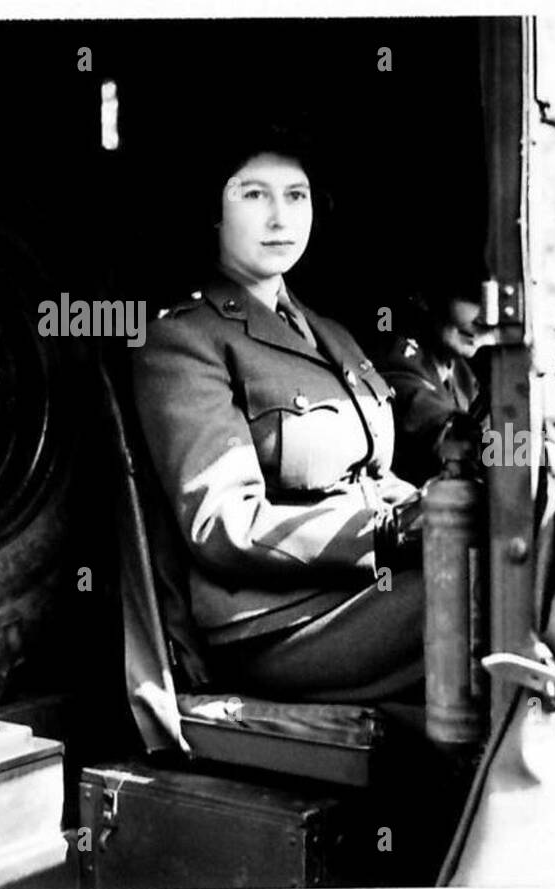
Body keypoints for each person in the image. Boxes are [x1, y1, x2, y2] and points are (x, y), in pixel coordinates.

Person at [130, 128, 426, 702]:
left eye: (297, 196)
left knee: (515, 548)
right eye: (253, 195)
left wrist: (430, 509)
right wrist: (388, 533)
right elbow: (223, 525)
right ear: (213, 211)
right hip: (276, 625)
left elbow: (367, 477)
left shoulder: (331, 333)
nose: (279, 218)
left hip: (361, 588)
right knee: (491, 590)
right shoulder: (182, 339)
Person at [378, 280, 490, 486]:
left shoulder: (463, 376)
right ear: (425, 298)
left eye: (491, 301)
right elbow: (451, 436)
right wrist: (523, 451)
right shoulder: (396, 363)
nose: (486, 318)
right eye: (472, 298)